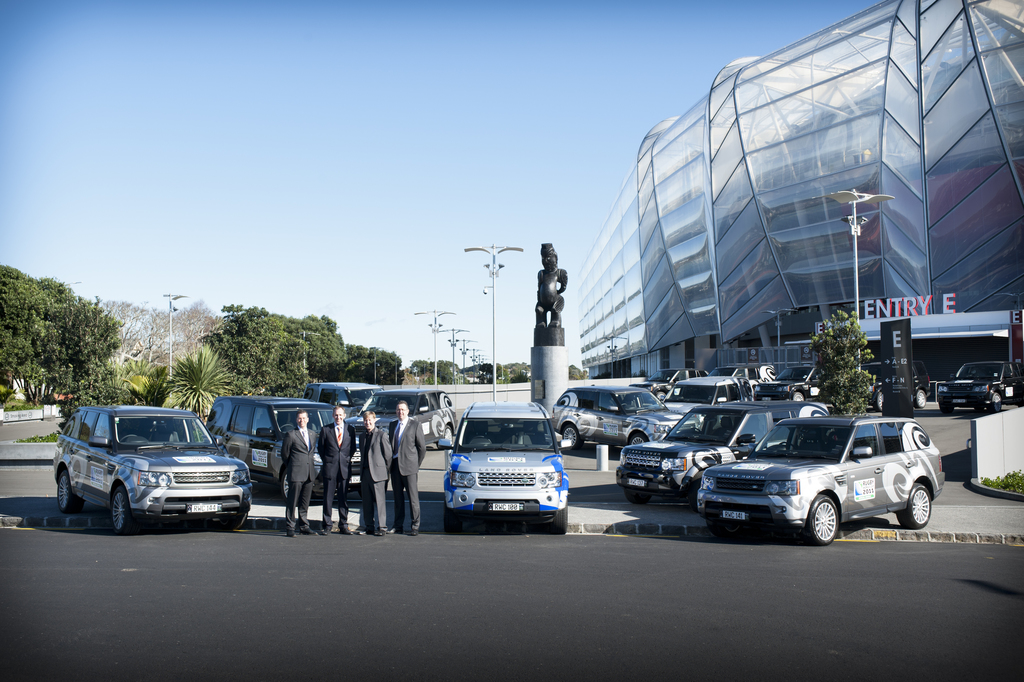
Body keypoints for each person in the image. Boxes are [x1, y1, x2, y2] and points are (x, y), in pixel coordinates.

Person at [316, 406, 357, 535]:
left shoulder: (350, 429)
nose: (338, 417)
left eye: (340, 415)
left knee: (343, 498)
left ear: (344, 416)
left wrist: (344, 460)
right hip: (330, 468)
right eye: (336, 415)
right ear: (333, 416)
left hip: (344, 468)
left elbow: (352, 449)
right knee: (328, 498)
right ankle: (327, 524)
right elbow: (321, 449)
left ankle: (343, 524)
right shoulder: (326, 430)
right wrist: (330, 461)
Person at [388, 400, 426, 535]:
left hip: (410, 468)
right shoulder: (392, 425)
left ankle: (415, 526)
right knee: (398, 499)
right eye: (398, 410)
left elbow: (422, 448)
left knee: (413, 499)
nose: (400, 412)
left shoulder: (415, 425)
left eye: (403, 410)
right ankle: (398, 525)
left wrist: (416, 464)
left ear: (408, 411)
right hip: (395, 468)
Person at [282, 409, 317, 537]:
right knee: (292, 501)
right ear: (296, 420)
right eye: (299, 418)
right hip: (296, 472)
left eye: (304, 418)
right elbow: (285, 455)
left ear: (308, 419)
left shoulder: (312, 434)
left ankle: (304, 525)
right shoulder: (291, 434)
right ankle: (290, 526)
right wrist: (292, 466)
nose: (302, 421)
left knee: (304, 502)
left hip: (309, 473)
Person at [359, 410, 392, 536]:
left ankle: (382, 527)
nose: (367, 422)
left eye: (369, 420)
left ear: (374, 420)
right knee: (366, 503)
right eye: (365, 420)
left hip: (378, 474)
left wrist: (385, 471)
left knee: (380, 502)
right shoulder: (362, 436)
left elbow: (388, 456)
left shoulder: (381, 435)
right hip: (365, 473)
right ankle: (369, 526)